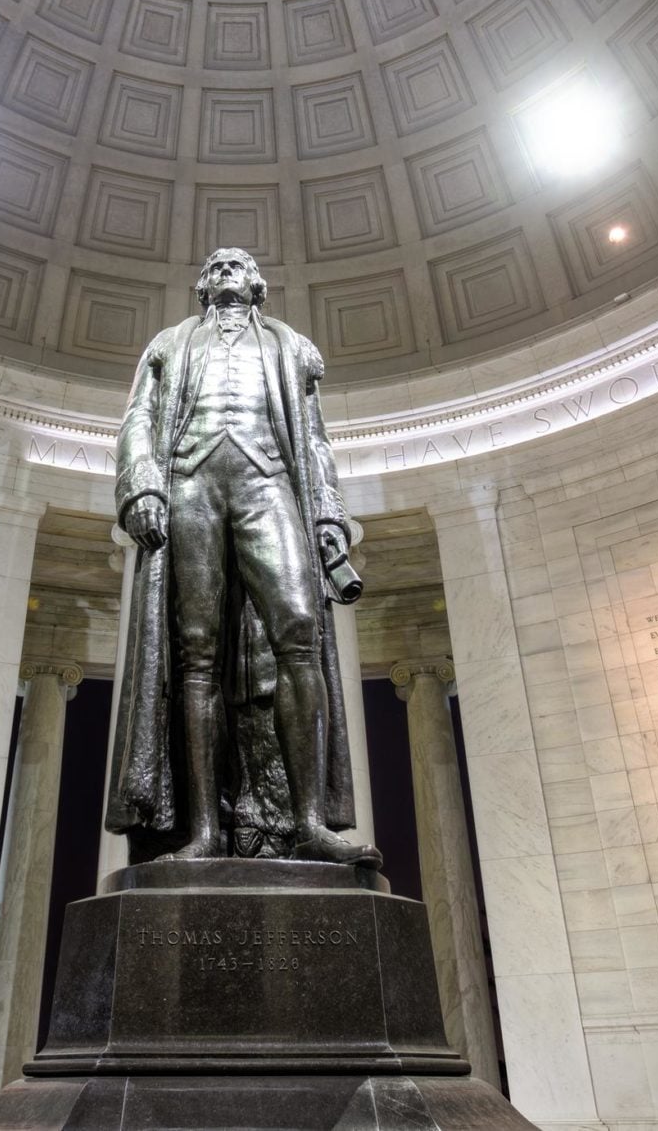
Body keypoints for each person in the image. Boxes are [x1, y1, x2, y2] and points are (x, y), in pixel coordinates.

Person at [106, 246, 381, 867]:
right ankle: (202, 832)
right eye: (217, 266)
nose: (228, 270)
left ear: (259, 285)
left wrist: (329, 516)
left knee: (299, 631)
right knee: (196, 651)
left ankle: (309, 822)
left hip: (269, 485)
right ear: (203, 286)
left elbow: (314, 440)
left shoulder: (289, 346)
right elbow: (137, 422)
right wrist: (143, 484)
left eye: (240, 265)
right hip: (190, 485)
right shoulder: (170, 344)